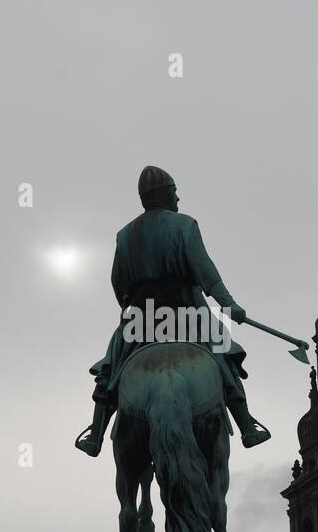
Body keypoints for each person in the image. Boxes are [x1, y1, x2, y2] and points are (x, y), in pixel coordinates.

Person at [75, 165, 271, 456]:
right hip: (190, 315)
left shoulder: (124, 235)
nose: (178, 199)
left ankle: (96, 436)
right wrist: (229, 305)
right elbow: (207, 273)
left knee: (111, 367)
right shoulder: (185, 225)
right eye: (175, 193)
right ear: (165, 194)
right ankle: (247, 427)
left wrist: (134, 302)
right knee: (226, 355)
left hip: (143, 319)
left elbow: (119, 284)